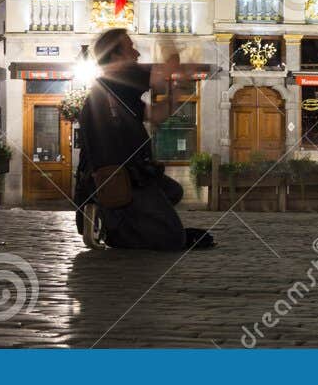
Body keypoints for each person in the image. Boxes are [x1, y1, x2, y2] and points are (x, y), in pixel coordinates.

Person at [74, 27, 214, 251]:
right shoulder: (122, 75)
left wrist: (177, 90)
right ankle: (118, 229)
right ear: (116, 55)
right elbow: (164, 73)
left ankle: (121, 219)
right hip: (125, 175)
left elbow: (157, 115)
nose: (137, 54)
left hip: (124, 173)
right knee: (174, 239)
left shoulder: (114, 88)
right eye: (131, 48)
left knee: (172, 191)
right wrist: (173, 53)